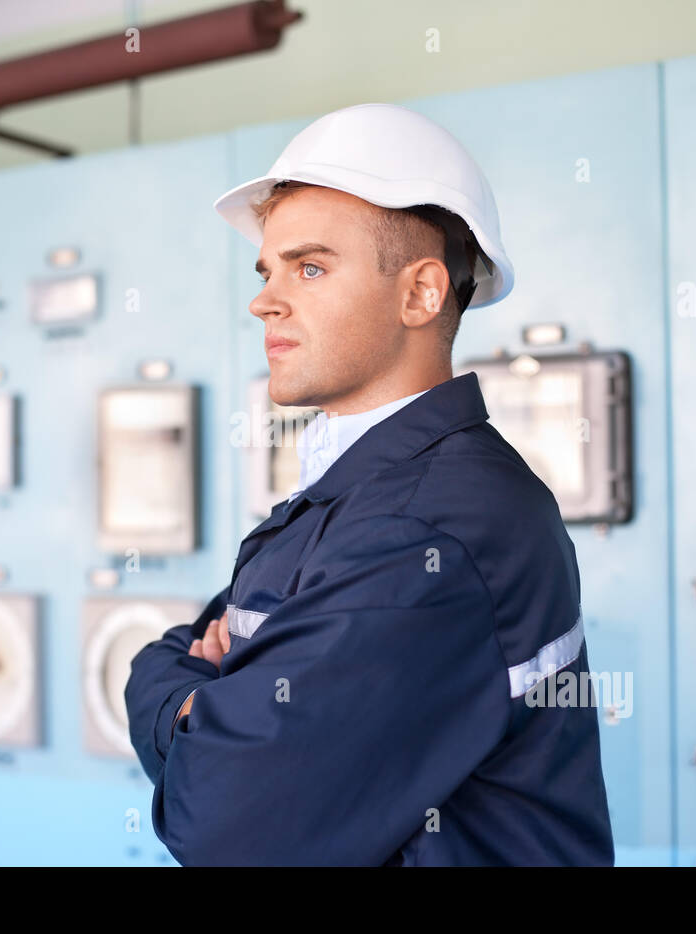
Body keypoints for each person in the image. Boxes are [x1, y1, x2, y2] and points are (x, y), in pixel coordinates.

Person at [125, 103, 614, 865]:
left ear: (420, 294)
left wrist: (176, 692)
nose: (264, 300)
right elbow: (203, 656)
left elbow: (229, 815)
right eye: (268, 270)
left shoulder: (434, 526)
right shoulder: (353, 490)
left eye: (311, 267)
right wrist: (196, 695)